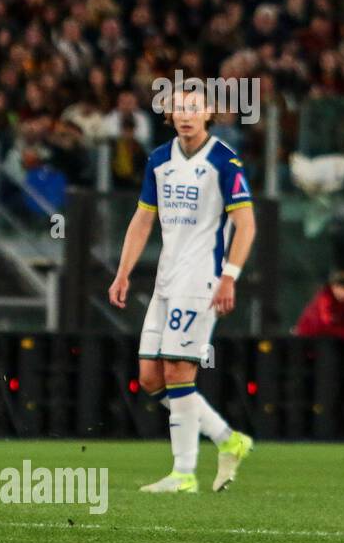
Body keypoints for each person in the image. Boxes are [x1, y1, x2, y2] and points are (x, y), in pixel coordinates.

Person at [109, 87, 258, 494]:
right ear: (169, 113)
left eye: (194, 107)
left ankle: (184, 472)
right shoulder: (159, 160)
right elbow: (142, 221)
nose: (186, 115)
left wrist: (230, 276)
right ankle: (228, 439)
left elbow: (246, 224)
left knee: (178, 372)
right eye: (179, 107)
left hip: (202, 280)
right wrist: (123, 273)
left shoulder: (224, 160)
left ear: (208, 112)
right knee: (149, 378)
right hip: (165, 280)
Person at [295, 271, 344, 353]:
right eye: (343, 287)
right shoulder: (325, 298)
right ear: (334, 286)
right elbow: (324, 325)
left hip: (329, 343)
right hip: (308, 341)